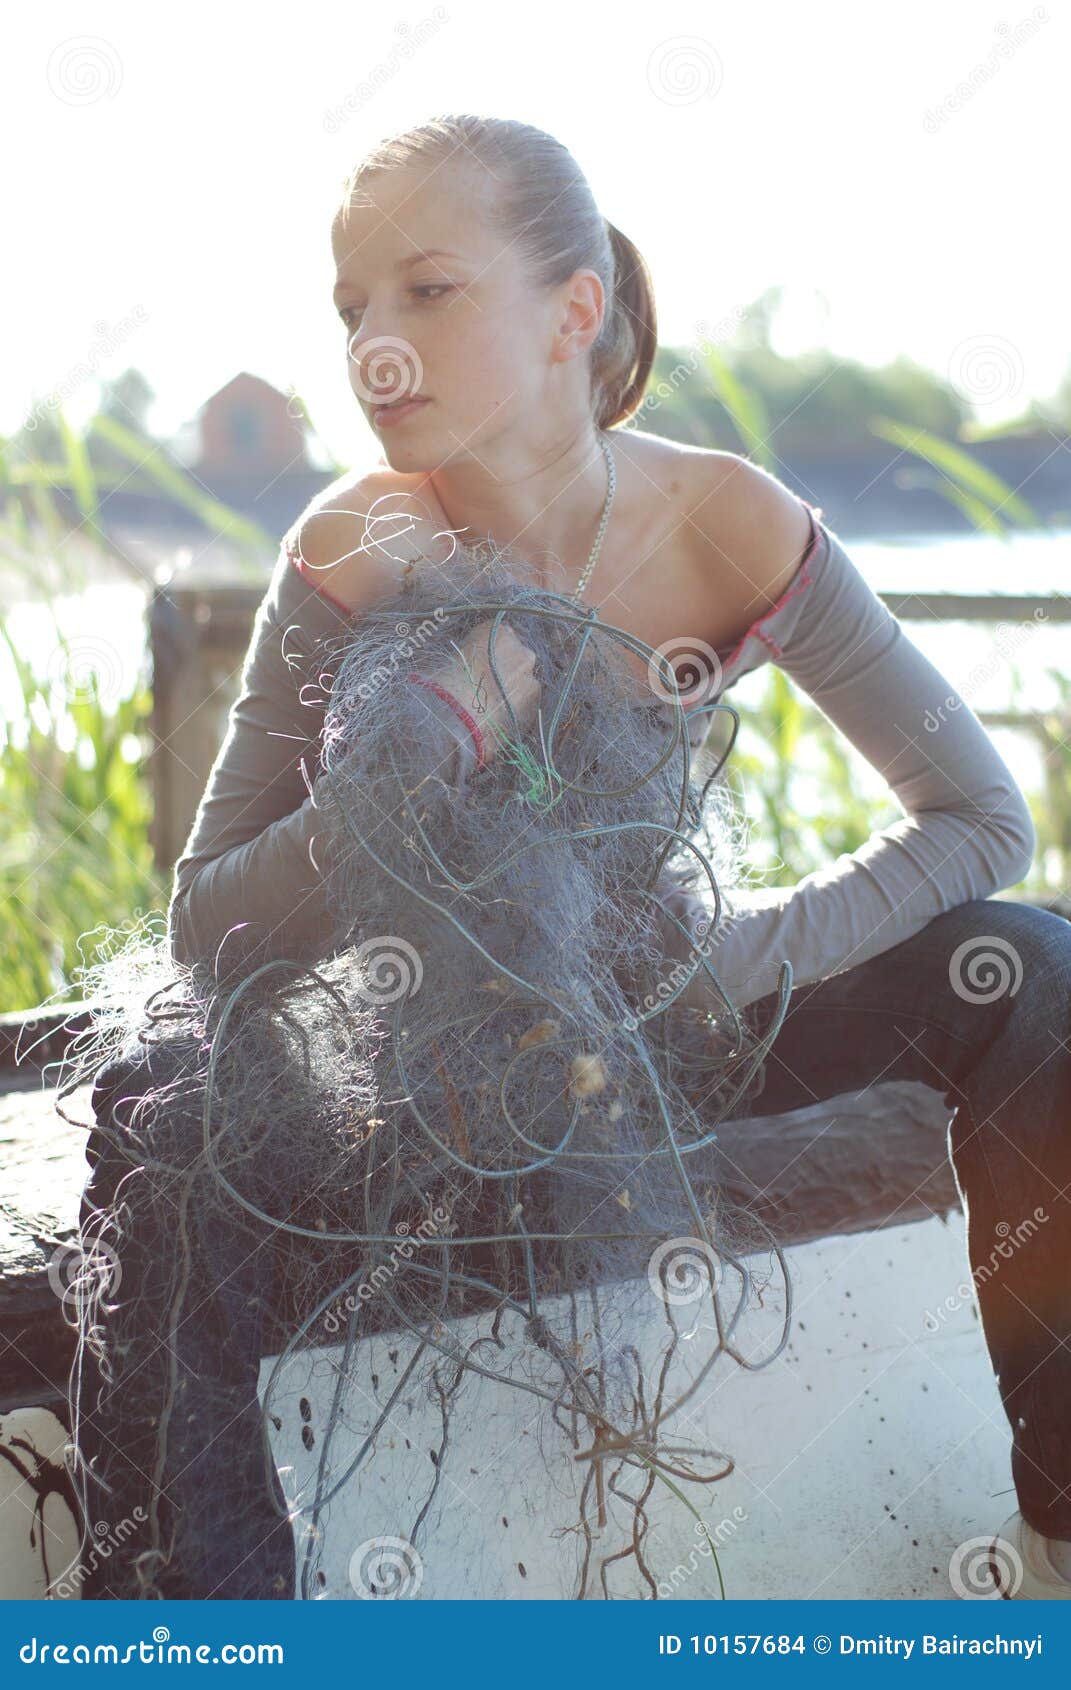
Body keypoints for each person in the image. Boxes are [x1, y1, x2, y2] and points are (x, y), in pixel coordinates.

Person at [70, 113, 1071, 1602]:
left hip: (665, 1030)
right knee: (156, 1119)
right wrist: (415, 757)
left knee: (1035, 962)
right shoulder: (351, 548)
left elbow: (980, 813)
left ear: (575, 310)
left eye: (428, 290)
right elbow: (206, 921)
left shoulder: (722, 519)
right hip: (423, 1067)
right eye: (351, 308)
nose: (374, 348)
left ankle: (1055, 1518)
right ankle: (221, 1622)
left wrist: (733, 959)